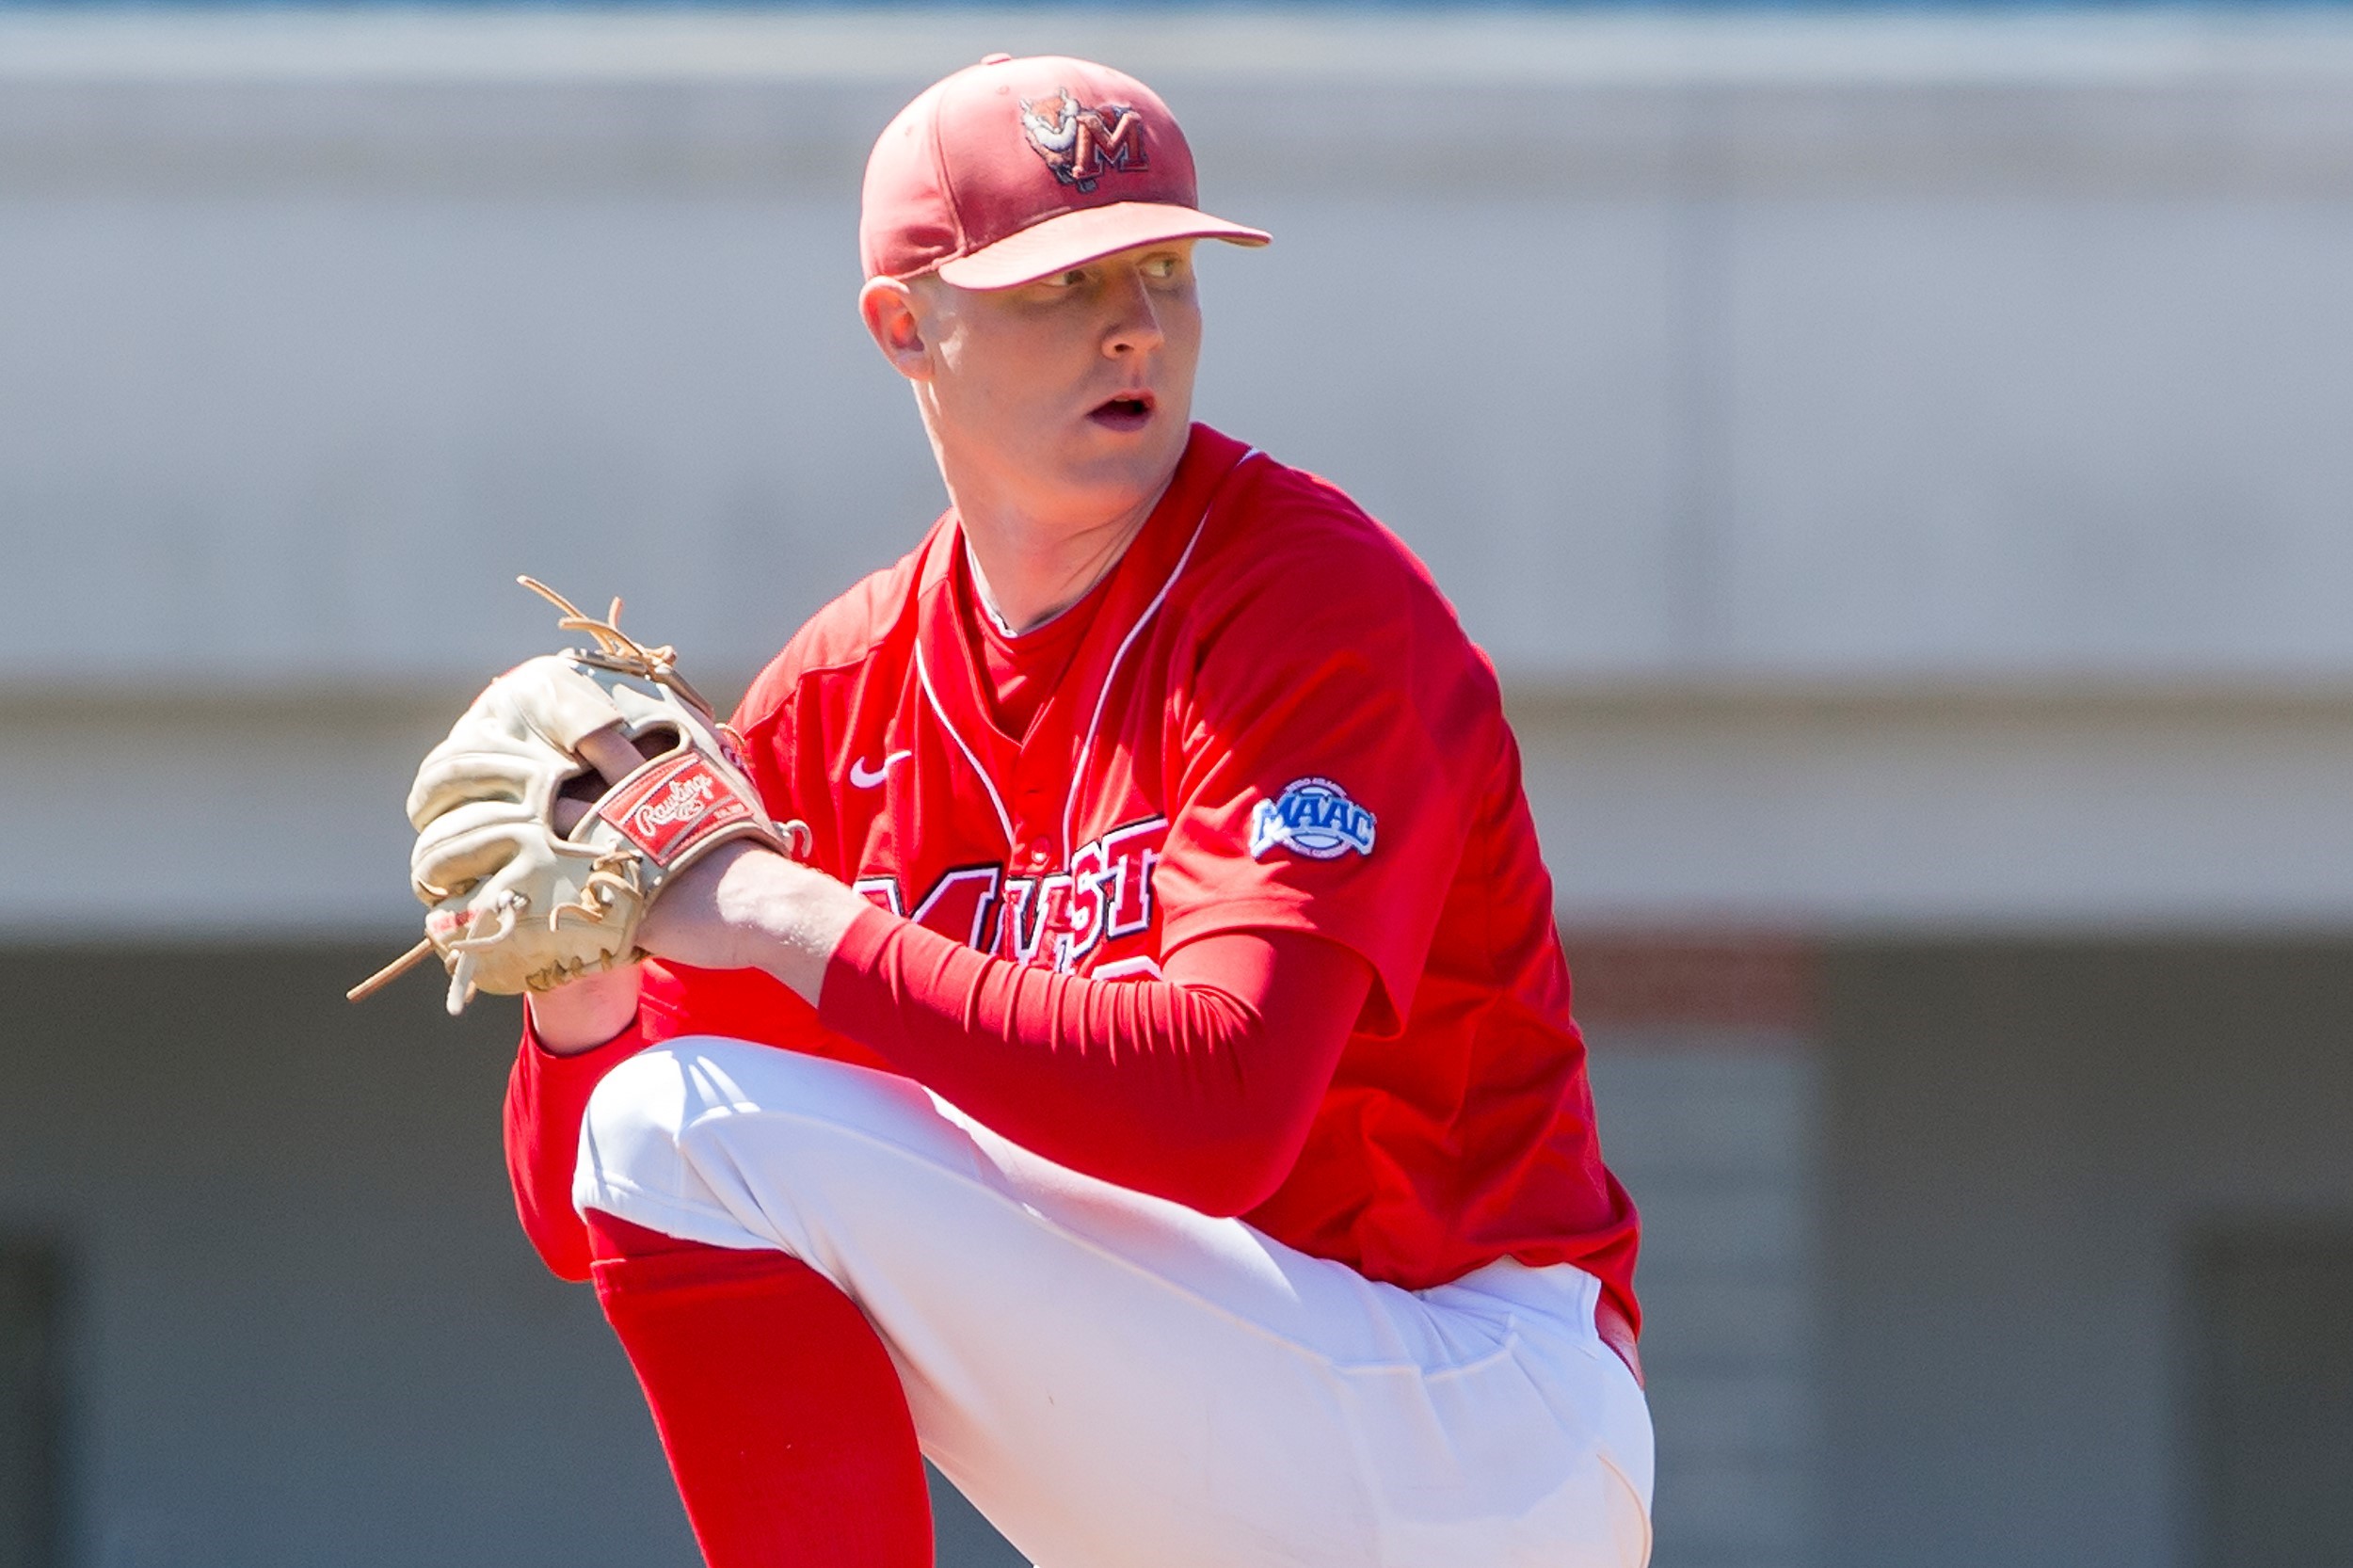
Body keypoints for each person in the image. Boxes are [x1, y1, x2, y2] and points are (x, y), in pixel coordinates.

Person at [500, 52, 1651, 1568]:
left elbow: (1226, 1113)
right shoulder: (841, 696)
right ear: (907, 328)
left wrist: (786, 912)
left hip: (1471, 1412)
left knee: (694, 1122)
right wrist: (576, 1004)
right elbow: (612, 1212)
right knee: (663, 1119)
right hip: (1214, 1416)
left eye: (1164, 266)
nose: (1133, 322)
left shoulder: (1307, 604)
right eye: (1056, 283)